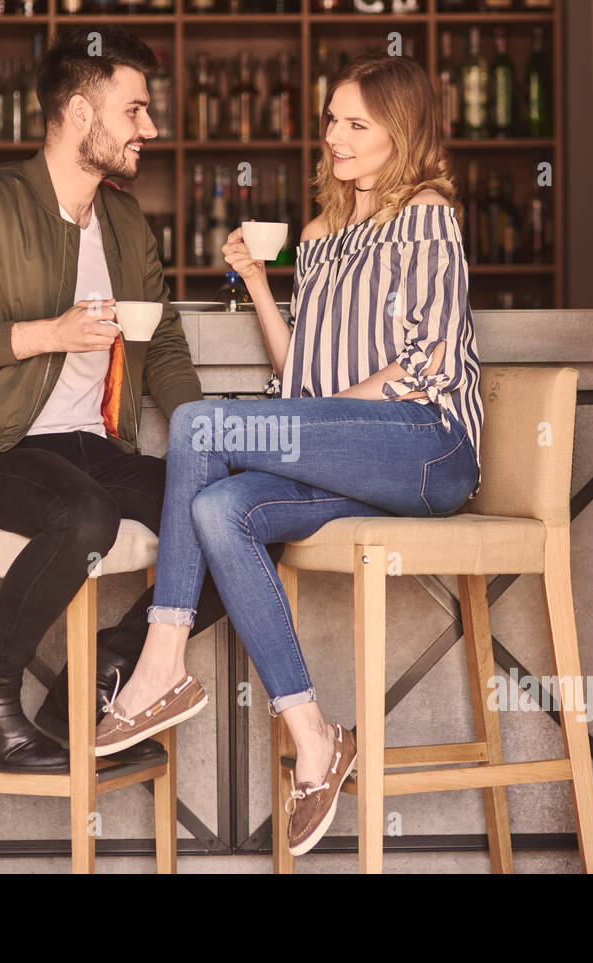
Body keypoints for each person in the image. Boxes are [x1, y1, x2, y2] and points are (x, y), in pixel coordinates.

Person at [94, 53, 484, 857]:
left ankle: (161, 659)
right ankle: (316, 738)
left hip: (425, 447)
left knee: (201, 427)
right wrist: (261, 285)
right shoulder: (318, 233)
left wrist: (309, 423)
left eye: (356, 124)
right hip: (351, 453)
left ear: (399, 134)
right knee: (217, 508)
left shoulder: (428, 215)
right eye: (332, 118)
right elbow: (299, 372)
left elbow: (426, 363)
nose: (334, 136)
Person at [0, 26, 280, 774]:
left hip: (95, 449)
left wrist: (203, 433)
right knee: (85, 516)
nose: (151, 128)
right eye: (135, 110)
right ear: (81, 112)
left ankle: (95, 688)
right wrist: (48, 333)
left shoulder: (126, 221)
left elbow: (163, 341)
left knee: (245, 518)